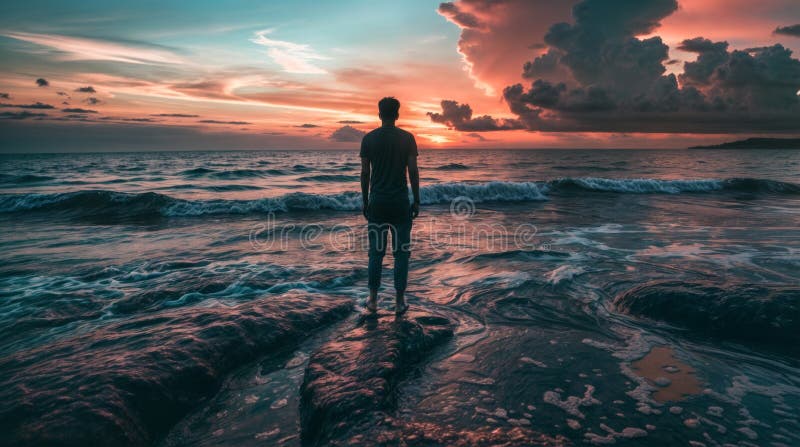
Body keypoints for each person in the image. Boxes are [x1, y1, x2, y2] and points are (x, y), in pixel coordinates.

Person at [360, 97, 420, 315]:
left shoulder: (368, 139)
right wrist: (417, 199)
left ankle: (373, 300)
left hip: (377, 202)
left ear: (379, 114)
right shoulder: (407, 138)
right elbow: (412, 171)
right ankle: (399, 302)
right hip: (400, 202)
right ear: (397, 115)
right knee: (401, 253)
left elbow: (365, 172)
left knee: (375, 253)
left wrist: (366, 201)